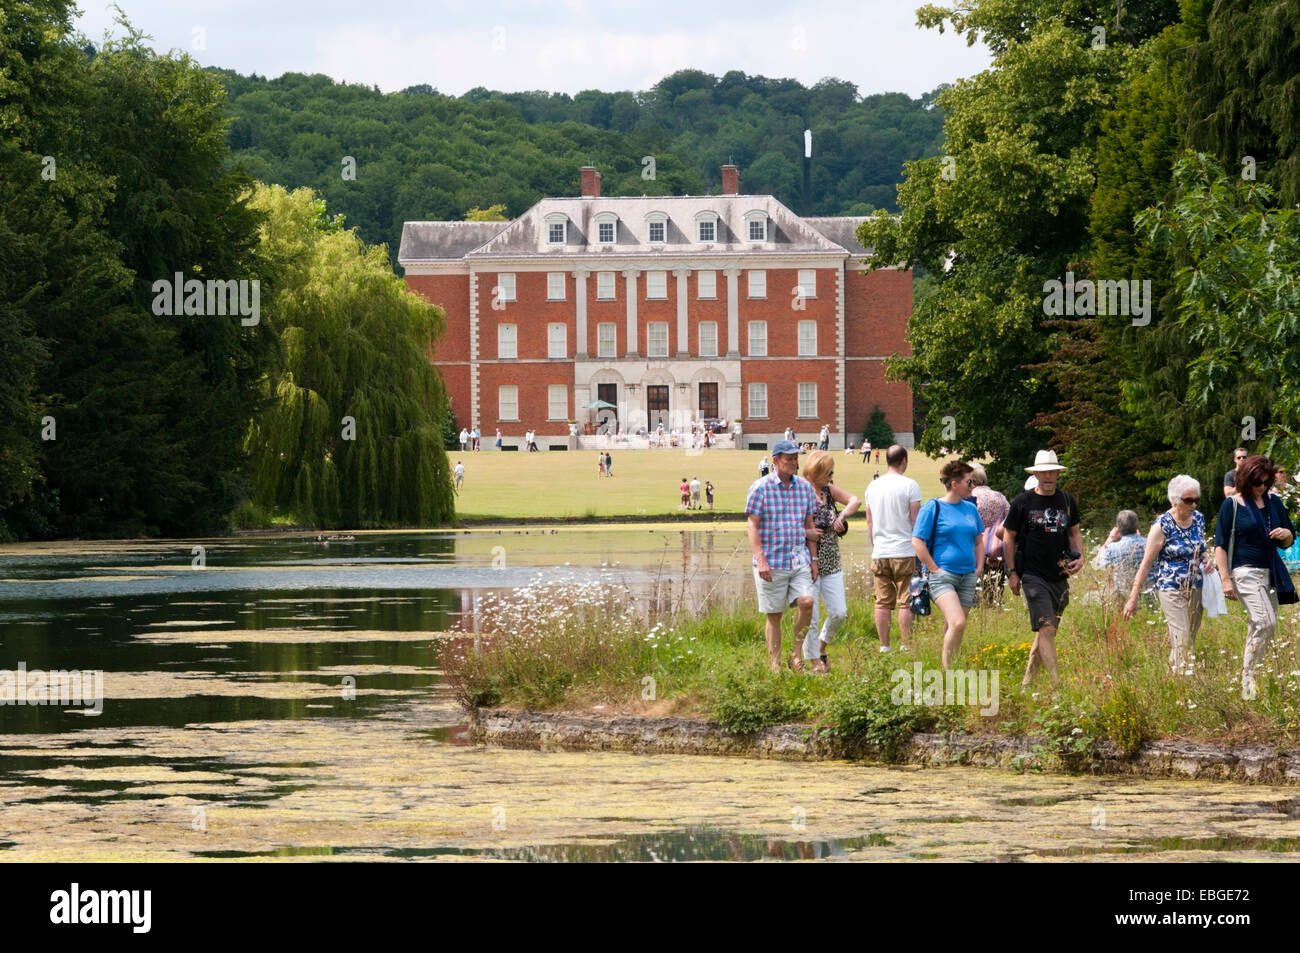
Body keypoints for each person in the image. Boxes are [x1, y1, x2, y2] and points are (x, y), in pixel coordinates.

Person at [1214, 454, 1297, 697]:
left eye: (1265, 482)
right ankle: (1248, 676)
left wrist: (1285, 535)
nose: (1261, 487)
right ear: (1244, 480)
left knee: (1260, 626)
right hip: (1245, 571)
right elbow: (1220, 544)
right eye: (1256, 482)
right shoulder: (1232, 505)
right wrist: (1225, 579)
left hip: (1272, 571)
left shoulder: (1274, 503)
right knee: (1265, 621)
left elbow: (1289, 539)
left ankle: (1250, 682)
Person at [1002, 449, 1084, 690]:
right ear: (1036, 475)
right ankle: (1056, 686)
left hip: (1059, 574)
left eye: (1052, 472)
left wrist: (1080, 558)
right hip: (1032, 575)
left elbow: (1075, 532)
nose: (1048, 476)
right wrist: (1012, 572)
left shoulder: (1067, 501)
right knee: (1046, 626)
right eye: (1043, 472)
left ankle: (1027, 681)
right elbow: (1008, 538)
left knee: (1046, 632)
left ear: (1058, 474)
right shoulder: (1022, 502)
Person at [1123, 476, 1210, 674]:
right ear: (1174, 500)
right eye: (1188, 500)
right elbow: (1146, 564)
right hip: (1170, 588)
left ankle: (1173, 676)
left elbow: (1199, 546)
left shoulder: (1198, 518)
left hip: (1196, 585)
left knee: (1189, 637)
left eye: (1196, 499)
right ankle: (1184, 684)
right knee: (1182, 638)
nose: (1193, 504)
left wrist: (1206, 558)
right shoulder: (1162, 525)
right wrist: (1133, 598)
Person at [746, 440, 819, 672]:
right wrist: (761, 559)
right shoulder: (760, 487)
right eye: (789, 459)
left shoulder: (805, 488)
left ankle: (796, 656)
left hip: (799, 559)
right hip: (772, 560)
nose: (794, 463)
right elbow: (752, 526)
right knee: (774, 615)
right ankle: (775, 666)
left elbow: (810, 526)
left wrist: (814, 560)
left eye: (796, 458)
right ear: (775, 460)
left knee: (807, 602)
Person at [912, 460, 984, 667]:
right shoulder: (933, 507)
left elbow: (979, 541)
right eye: (969, 482)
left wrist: (978, 568)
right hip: (944, 577)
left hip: (968, 575)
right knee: (958, 622)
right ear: (955, 484)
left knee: (955, 626)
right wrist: (934, 568)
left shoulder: (971, 509)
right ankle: (948, 674)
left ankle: (949, 667)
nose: (973, 487)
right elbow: (917, 541)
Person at [802, 450, 861, 672]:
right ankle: (814, 661)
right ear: (817, 471)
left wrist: (842, 516)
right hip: (808, 561)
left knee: (839, 612)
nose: (831, 475)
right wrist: (807, 532)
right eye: (829, 472)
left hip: (832, 560)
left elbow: (855, 500)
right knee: (812, 614)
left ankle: (820, 645)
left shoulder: (828, 490)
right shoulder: (801, 491)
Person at [864, 445, 922, 651]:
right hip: (904, 550)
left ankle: (884, 646)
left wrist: (876, 544)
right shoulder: (910, 486)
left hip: (880, 551)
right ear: (904, 461)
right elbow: (916, 521)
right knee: (905, 601)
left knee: (882, 602)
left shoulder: (872, 487)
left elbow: (869, 522)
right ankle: (906, 645)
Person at [1092, 510, 1147, 601]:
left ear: (1118, 527)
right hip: (1149, 595)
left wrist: (1110, 539)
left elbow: (1095, 564)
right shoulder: (1149, 544)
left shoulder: (1111, 549)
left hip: (1123, 597)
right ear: (1137, 525)